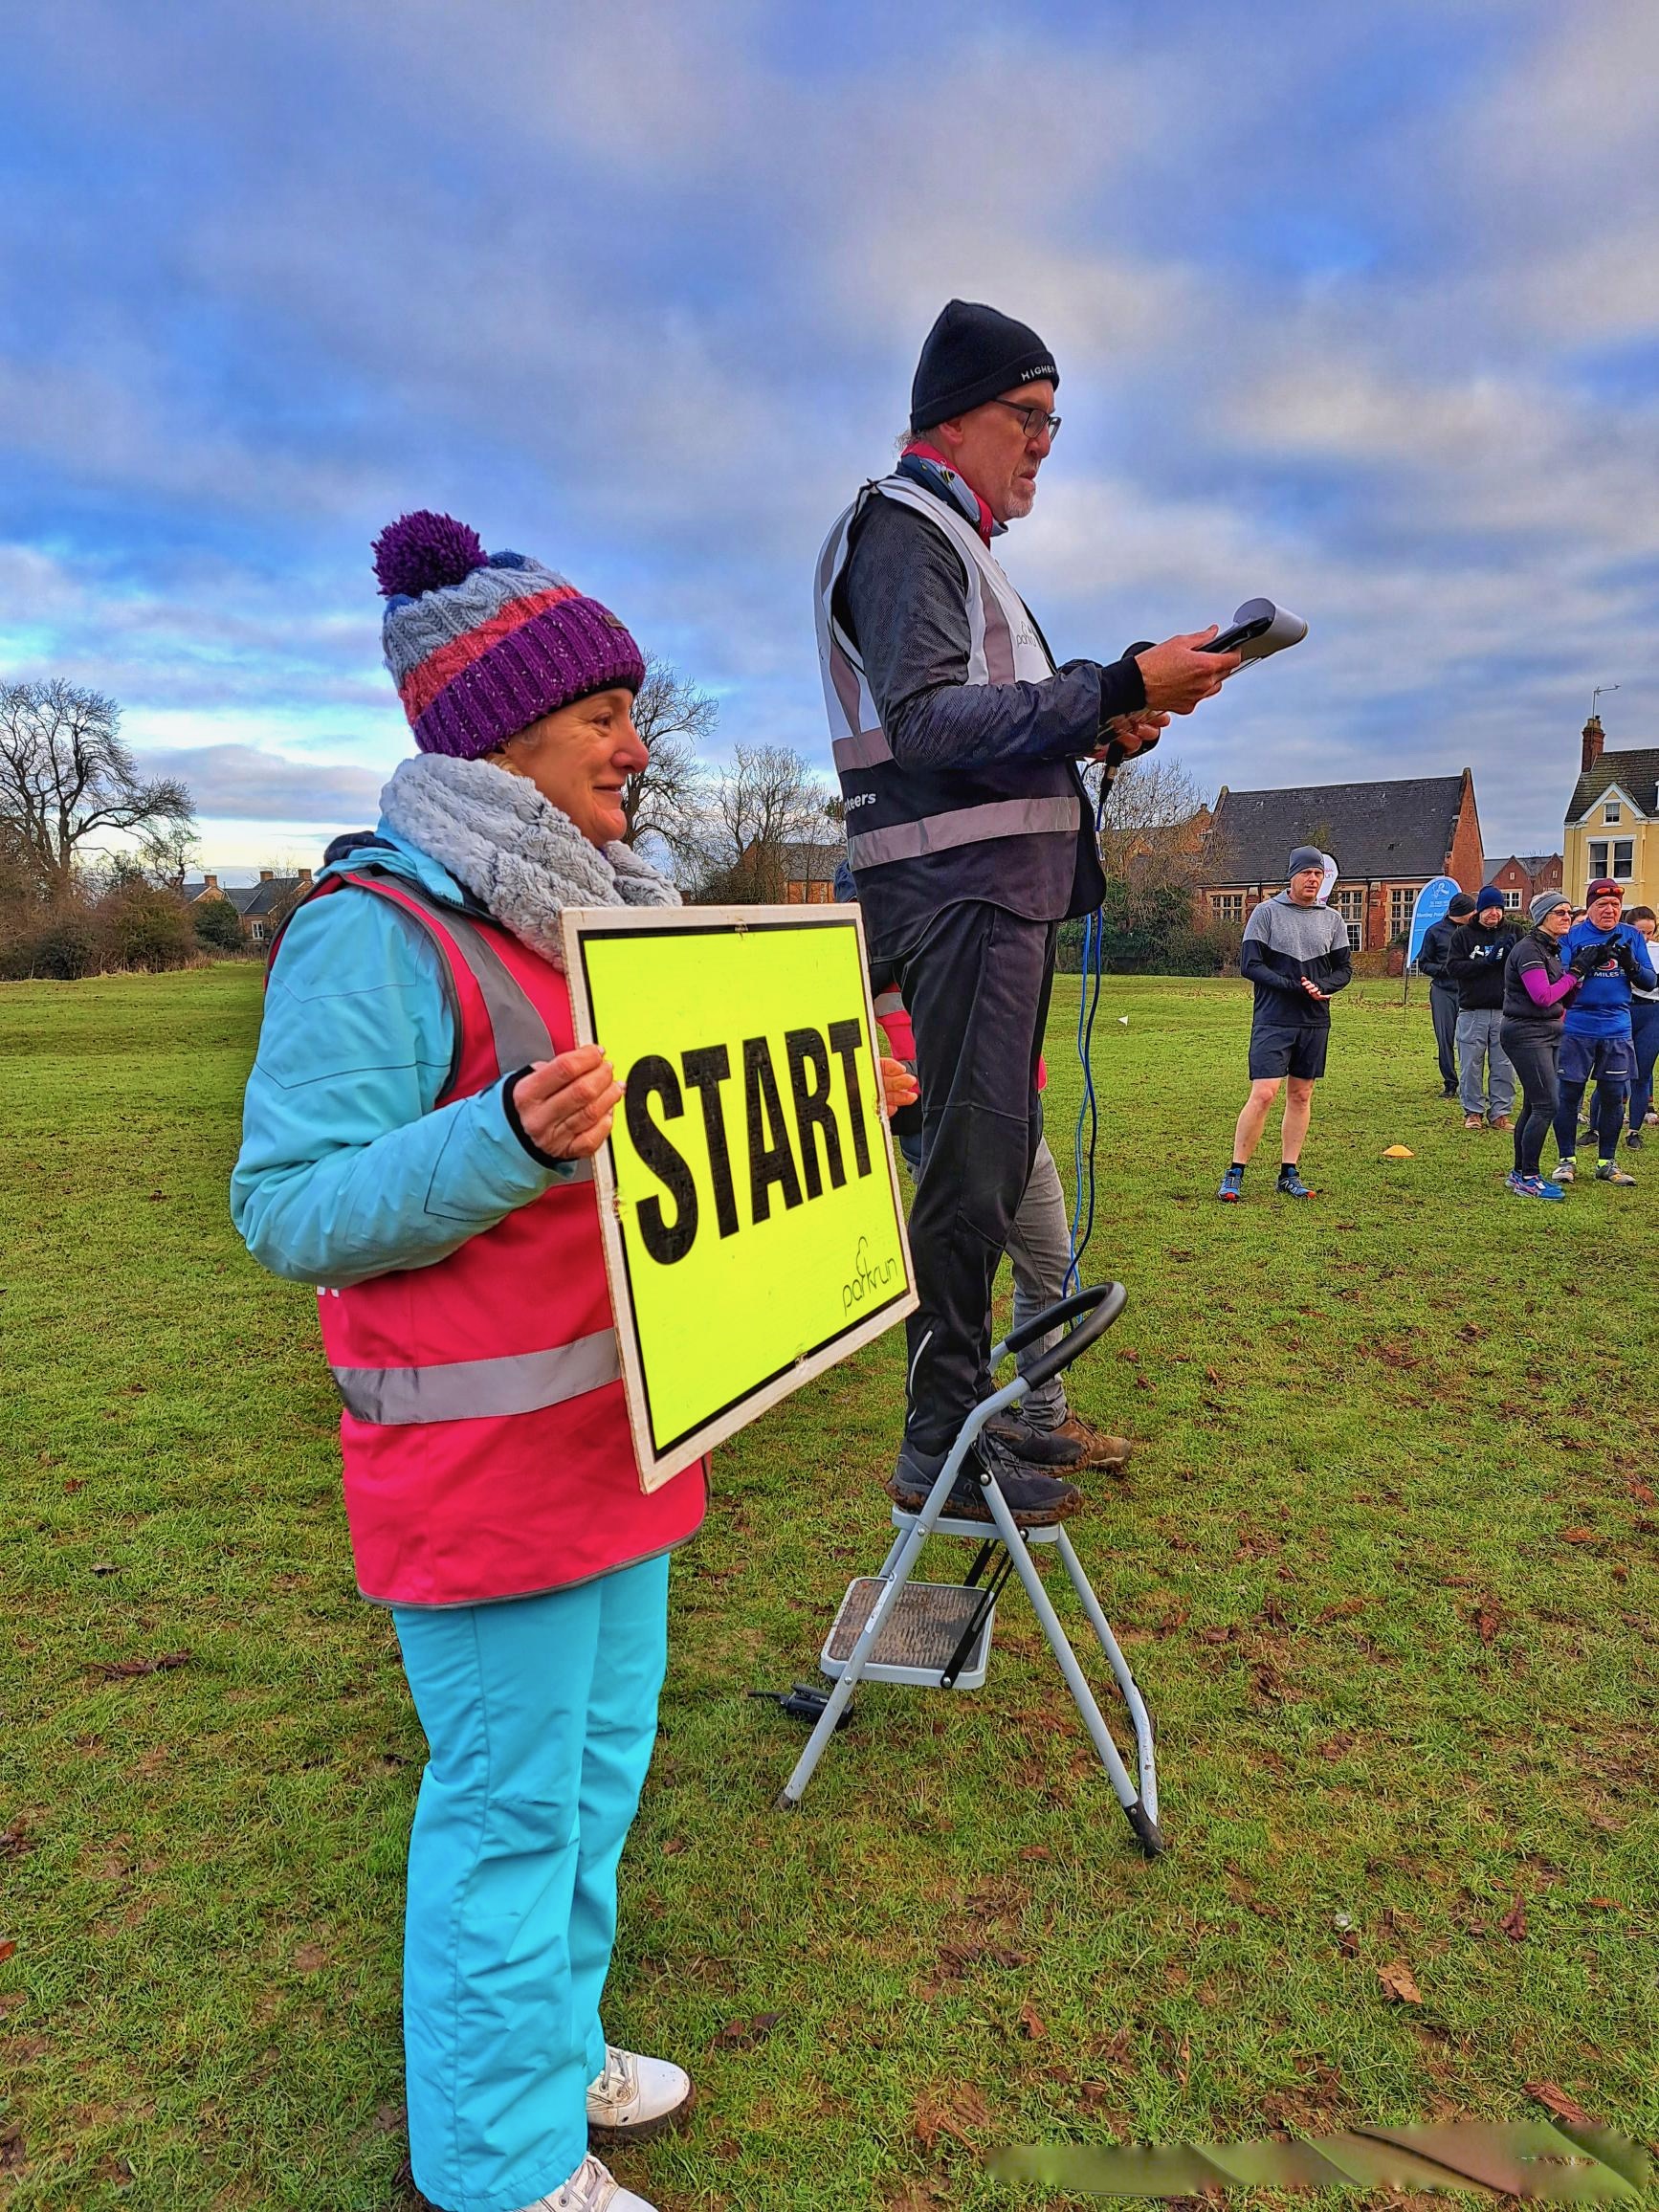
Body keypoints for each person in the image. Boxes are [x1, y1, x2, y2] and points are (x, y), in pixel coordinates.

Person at [816, 299, 1236, 1528]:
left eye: (1057, 419)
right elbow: (934, 721)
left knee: (987, 1168)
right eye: (1029, 415)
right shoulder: (905, 529)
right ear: (953, 412)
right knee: (969, 1171)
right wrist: (1112, 681)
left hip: (988, 897)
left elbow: (974, 724)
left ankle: (965, 1433)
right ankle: (941, 1447)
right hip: (960, 900)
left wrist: (1107, 720)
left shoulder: (953, 537)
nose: (1048, 440)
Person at [834, 861, 1132, 1476]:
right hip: (946, 1119)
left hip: (1015, 1106)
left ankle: (1020, 1415)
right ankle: (1001, 1422)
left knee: (1040, 1265)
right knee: (987, 1274)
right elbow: (838, 999)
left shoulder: (977, 867)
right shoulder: (876, 887)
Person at [1217, 847, 1351, 1202]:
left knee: (1302, 1094)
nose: (1312, 879)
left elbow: (1344, 969)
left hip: (1314, 1021)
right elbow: (1251, 965)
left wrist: (1325, 987)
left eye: (1318, 874)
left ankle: (1288, 1172)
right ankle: (1235, 1171)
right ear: (1291, 876)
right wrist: (1292, 986)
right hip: (1273, 1018)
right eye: (1306, 873)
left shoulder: (1333, 920)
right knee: (1264, 1093)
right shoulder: (1266, 913)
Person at [1552, 876, 1658, 1186]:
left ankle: (1606, 1162)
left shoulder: (1630, 936)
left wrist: (1632, 966)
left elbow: (1650, 982)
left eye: (1614, 904)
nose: (1609, 910)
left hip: (1617, 1027)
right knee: (1569, 1093)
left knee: (1613, 1095)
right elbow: (1562, 979)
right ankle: (1566, 1160)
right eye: (1602, 905)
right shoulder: (1573, 935)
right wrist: (1583, 965)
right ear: (1590, 907)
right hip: (1579, 1025)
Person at [1499, 890, 1584, 1199]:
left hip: (1548, 1030)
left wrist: (1581, 974)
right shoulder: (1530, 950)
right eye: (1560, 913)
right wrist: (1574, 973)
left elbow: (1566, 997)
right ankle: (1529, 1176)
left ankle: (1520, 1172)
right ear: (1542, 918)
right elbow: (1543, 996)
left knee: (1535, 1103)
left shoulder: (1552, 950)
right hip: (1526, 1032)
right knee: (1548, 1103)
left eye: (1569, 913)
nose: (1567, 918)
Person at [1447, 888, 1520, 1130]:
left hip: (1505, 1010)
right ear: (1479, 910)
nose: (1494, 914)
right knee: (1471, 1065)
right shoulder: (1463, 935)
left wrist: (1512, 959)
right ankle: (1473, 1112)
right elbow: (1454, 968)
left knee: (1504, 1065)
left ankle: (1500, 1112)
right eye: (1489, 909)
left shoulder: (1514, 932)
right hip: (1472, 1010)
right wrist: (1485, 962)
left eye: (1499, 909)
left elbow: (1527, 965)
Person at [1417, 891, 1476, 1098]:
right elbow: (1424, 962)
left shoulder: (1475, 931)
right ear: (1461, 913)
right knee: (1445, 1038)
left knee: (1470, 1040)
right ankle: (1450, 1082)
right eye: (1472, 911)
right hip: (1443, 991)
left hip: (1469, 991)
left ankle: (1471, 1084)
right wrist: (1444, 969)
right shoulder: (1435, 932)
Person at [1622, 905, 1659, 1145]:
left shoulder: (1656, 951)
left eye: (1649, 933)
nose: (1644, 939)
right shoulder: (1620, 947)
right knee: (1611, 1073)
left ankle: (1633, 1130)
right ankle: (1596, 1128)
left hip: (1652, 1012)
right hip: (1624, 1009)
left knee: (1642, 1073)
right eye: (1640, 933)